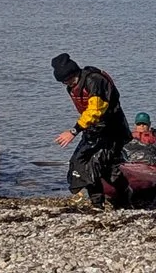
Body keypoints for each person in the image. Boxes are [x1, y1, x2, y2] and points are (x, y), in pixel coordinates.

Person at [51, 53, 130, 204]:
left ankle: (125, 196)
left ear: (75, 73)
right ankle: (97, 203)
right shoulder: (72, 87)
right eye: (64, 82)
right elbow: (86, 113)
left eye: (69, 80)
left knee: (108, 170)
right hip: (93, 130)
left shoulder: (94, 81)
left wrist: (74, 131)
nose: (68, 84)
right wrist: (84, 128)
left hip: (112, 130)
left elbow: (95, 110)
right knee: (82, 164)